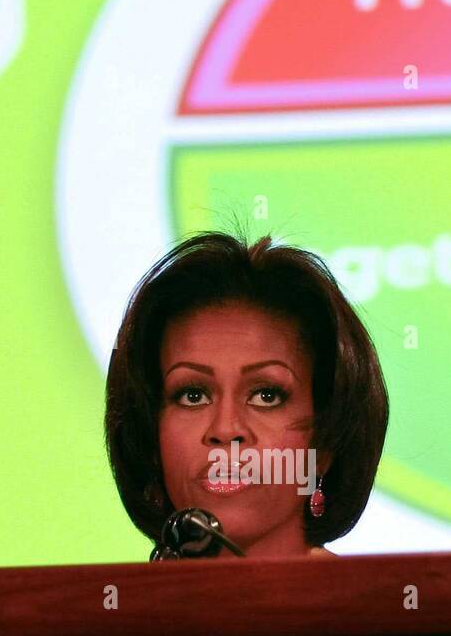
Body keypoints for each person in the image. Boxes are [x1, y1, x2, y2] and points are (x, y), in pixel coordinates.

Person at [105, 230, 389, 559]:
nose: (225, 430)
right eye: (193, 395)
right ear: (151, 442)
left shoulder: (378, 610)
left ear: (324, 445)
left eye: (266, 396)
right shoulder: (110, 608)